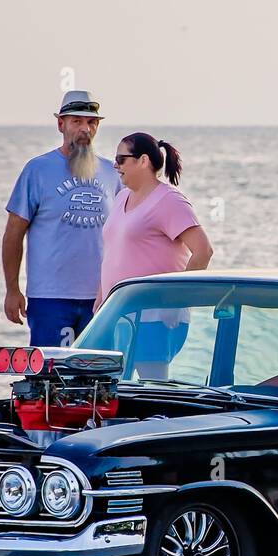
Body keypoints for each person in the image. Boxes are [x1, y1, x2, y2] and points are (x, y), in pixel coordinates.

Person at [2, 90, 120, 346]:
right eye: (76, 121)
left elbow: (128, 231)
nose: (85, 129)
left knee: (98, 379)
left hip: (102, 297)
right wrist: (12, 289)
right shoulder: (38, 170)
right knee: (50, 378)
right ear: (61, 124)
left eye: (91, 122)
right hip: (50, 297)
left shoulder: (113, 173)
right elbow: (13, 233)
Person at [98, 132, 214, 379]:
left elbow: (203, 251)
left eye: (121, 158)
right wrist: (101, 301)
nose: (115, 165)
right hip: (118, 312)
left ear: (143, 161)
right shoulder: (121, 198)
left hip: (155, 316)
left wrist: (176, 301)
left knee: (151, 389)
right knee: (114, 390)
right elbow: (114, 254)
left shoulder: (169, 201)